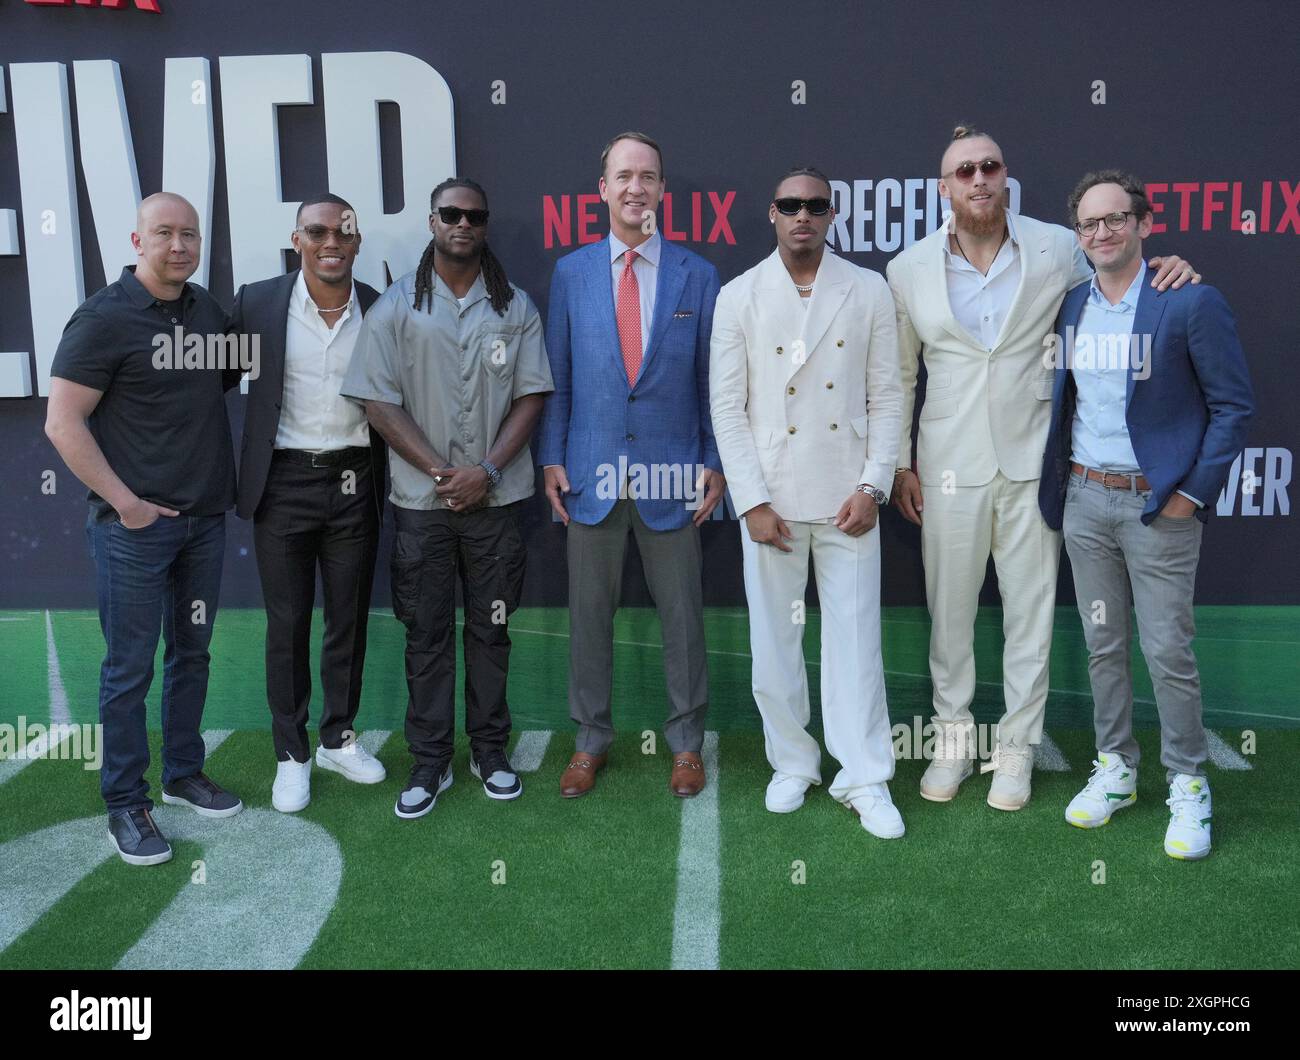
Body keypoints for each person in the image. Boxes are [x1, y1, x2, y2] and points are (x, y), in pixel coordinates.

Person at [886, 125, 1199, 811]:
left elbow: (1120, 292)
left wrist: (1172, 269)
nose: (978, 179)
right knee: (950, 615)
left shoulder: (1059, 247)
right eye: (963, 170)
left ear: (1006, 178)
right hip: (946, 468)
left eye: (989, 167)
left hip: (1036, 461)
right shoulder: (906, 268)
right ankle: (951, 742)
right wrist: (903, 463)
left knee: (1028, 616)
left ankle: (1016, 753)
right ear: (944, 188)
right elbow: (903, 376)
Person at [1039, 170, 1254, 860]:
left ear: (1145, 221)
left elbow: (1232, 406)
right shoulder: (1071, 306)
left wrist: (1191, 493)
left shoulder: (1189, 301)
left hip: (1157, 506)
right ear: (1079, 237)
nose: (1102, 232)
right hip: (1084, 501)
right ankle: (1116, 770)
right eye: (1090, 224)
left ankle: (1189, 783)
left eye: (1115, 219)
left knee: (1166, 651)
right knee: (1104, 646)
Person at [341, 178, 553, 819]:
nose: (462, 223)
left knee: (490, 629)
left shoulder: (514, 307)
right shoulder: (397, 307)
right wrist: (443, 472)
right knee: (426, 633)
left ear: (485, 225)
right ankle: (430, 764)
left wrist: (484, 470)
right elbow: (377, 402)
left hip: (497, 500)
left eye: (474, 215)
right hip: (421, 505)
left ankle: (491, 753)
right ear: (432, 222)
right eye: (450, 214)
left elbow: (532, 395)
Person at [45, 192, 242, 866]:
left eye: (190, 234)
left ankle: (183, 771)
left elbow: (207, 392)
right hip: (135, 531)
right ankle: (126, 803)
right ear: (137, 241)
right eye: (165, 233)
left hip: (204, 524)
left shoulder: (209, 310)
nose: (180, 245)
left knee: (192, 653)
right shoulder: (102, 320)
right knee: (129, 669)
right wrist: (127, 501)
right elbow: (62, 422)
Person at [710, 166, 905, 837]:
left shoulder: (868, 289)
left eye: (815, 206)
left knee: (856, 643)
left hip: (849, 496)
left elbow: (888, 396)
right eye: (791, 205)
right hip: (774, 501)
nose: (803, 216)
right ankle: (792, 762)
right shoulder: (739, 297)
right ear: (771, 213)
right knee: (775, 641)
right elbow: (728, 410)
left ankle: (865, 776)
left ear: (831, 214)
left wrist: (874, 482)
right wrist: (752, 500)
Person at [536, 131, 726, 799]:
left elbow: (713, 384)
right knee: (588, 620)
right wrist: (552, 458)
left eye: (647, 177)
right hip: (590, 477)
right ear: (603, 189)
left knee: (683, 619)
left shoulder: (697, 276)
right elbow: (556, 377)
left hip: (674, 480)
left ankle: (685, 743)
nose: (635, 188)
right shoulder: (571, 273)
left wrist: (713, 462)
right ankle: (589, 742)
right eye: (624, 176)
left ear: (662, 192)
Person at [228, 193, 387, 813]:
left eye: (341, 233)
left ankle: (337, 739)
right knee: (288, 623)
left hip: (355, 482)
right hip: (283, 483)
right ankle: (291, 754)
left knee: (346, 620)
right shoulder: (257, 304)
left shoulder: (379, 307)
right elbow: (207, 380)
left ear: (356, 242)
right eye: (316, 232)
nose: (330, 242)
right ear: (297, 240)